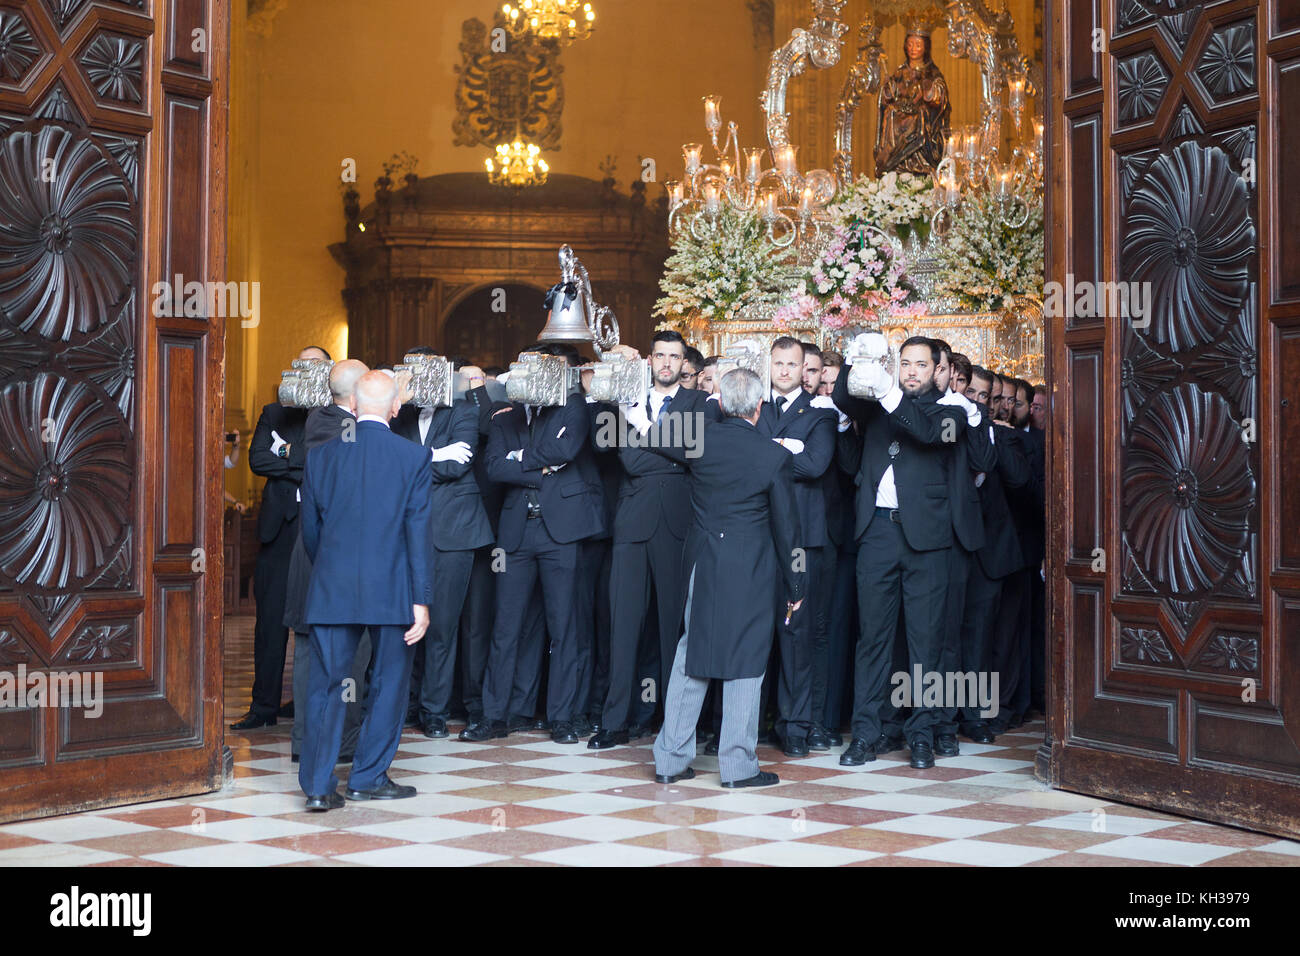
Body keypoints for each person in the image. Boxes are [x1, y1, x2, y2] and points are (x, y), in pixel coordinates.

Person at [652, 368, 804, 788]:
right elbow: (788, 531)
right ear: (760, 407)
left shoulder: (700, 440)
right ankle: (737, 768)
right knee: (746, 663)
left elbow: (658, 436)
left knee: (691, 656)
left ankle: (669, 760)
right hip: (750, 567)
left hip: (704, 562)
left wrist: (704, 406)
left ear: (719, 404)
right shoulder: (774, 456)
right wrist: (797, 588)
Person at [833, 335, 972, 769]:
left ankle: (923, 735)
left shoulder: (952, 412)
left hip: (927, 541)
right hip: (876, 533)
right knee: (872, 639)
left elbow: (927, 431)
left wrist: (889, 391)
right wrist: (857, 357)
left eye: (920, 365)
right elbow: (842, 397)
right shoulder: (875, 400)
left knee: (924, 644)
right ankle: (866, 734)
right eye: (904, 363)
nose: (911, 371)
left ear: (937, 370)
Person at [297, 371, 432, 810]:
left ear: (353, 403)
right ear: (395, 408)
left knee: (327, 686)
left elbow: (311, 530)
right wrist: (421, 600)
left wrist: (332, 570)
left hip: (332, 588)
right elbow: (418, 532)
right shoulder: (413, 457)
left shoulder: (321, 456)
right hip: (392, 589)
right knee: (389, 683)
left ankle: (318, 788)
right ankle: (367, 777)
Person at [462, 345, 606, 744]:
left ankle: (562, 717)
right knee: (506, 626)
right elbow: (493, 468)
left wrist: (519, 460)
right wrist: (540, 468)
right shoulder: (504, 413)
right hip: (515, 532)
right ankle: (496, 715)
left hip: (561, 530)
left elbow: (564, 450)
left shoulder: (573, 406)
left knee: (565, 628)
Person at [589, 332, 717, 749]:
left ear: (684, 363)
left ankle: (673, 724)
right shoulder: (627, 398)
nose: (666, 362)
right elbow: (624, 456)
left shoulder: (699, 402)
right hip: (631, 524)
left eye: (674, 356)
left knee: (672, 628)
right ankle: (614, 722)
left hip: (677, 526)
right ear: (649, 358)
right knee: (623, 625)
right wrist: (667, 447)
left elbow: (693, 452)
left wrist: (646, 435)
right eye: (659, 354)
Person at [393, 352, 495, 739]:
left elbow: (457, 465)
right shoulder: (399, 416)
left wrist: (414, 462)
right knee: (405, 623)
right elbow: (390, 466)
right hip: (405, 533)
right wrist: (432, 456)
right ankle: (407, 704)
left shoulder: (464, 411)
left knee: (442, 626)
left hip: (454, 533)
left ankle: (434, 712)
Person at [232, 344, 330, 731]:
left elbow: (330, 462)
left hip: (321, 531)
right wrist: (301, 460)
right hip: (278, 531)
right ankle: (263, 707)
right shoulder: (274, 412)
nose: (307, 372)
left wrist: (286, 454)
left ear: (328, 373)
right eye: (301, 365)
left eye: (316, 366)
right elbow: (258, 460)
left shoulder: (337, 415)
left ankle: (306, 700)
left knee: (315, 620)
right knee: (269, 623)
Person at [284, 358, 370, 764]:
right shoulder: (335, 427)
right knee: (346, 653)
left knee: (309, 653)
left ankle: (307, 741)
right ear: (356, 397)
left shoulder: (321, 420)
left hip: (311, 557)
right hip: (328, 560)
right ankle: (340, 744)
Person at [758, 337, 836, 757]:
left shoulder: (819, 414)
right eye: (779, 363)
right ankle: (747, 722)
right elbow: (749, 459)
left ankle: (796, 726)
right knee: (753, 631)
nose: (785, 371)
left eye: (793, 364)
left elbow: (816, 464)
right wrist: (789, 448)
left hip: (802, 540)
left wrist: (772, 450)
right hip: (758, 535)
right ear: (768, 364)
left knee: (797, 632)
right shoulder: (754, 406)